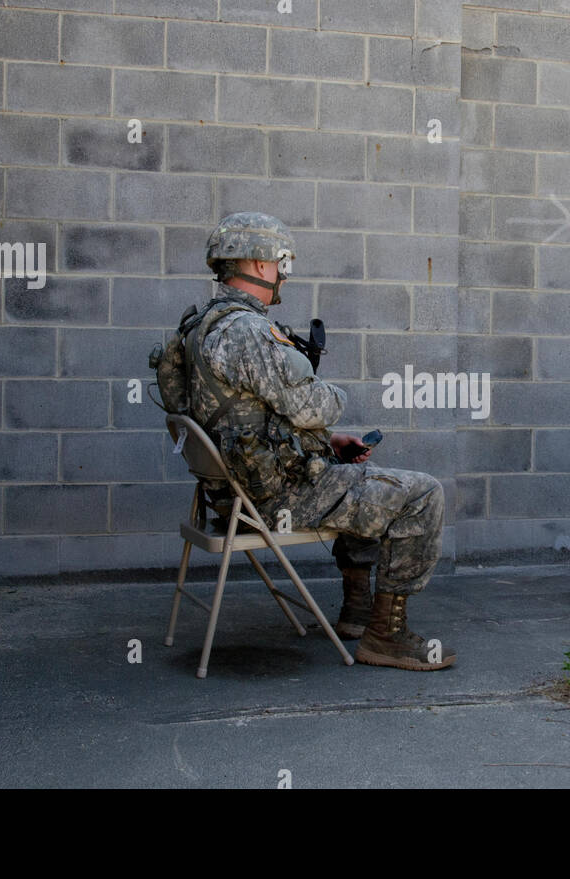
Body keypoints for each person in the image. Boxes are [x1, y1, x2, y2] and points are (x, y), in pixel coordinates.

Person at [189, 211, 454, 671]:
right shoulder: (249, 331)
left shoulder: (201, 327)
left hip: (229, 499)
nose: (283, 275)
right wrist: (331, 399)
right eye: (280, 263)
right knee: (421, 493)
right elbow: (314, 405)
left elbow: (249, 419)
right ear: (256, 264)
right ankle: (386, 636)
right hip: (273, 501)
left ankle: (356, 613)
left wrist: (327, 443)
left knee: (356, 474)